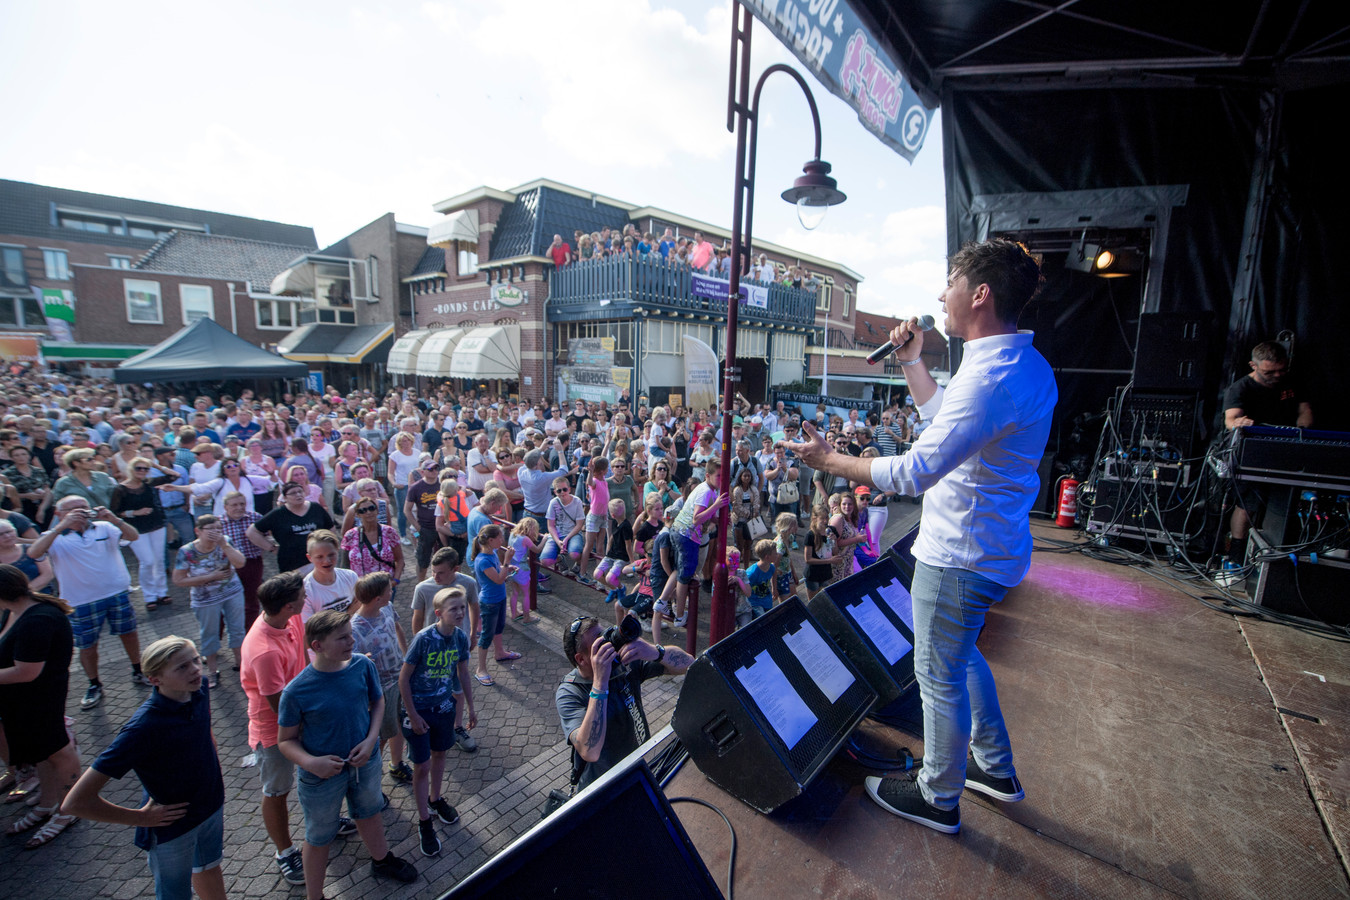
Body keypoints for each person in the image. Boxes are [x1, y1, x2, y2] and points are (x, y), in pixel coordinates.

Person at [788, 238, 1056, 834]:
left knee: (937, 675)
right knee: (960, 660)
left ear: (980, 294)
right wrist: (913, 360)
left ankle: (938, 795)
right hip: (987, 548)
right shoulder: (1017, 364)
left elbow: (912, 470)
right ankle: (994, 767)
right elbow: (945, 422)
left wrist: (831, 462)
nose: (941, 295)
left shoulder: (991, 377)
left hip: (960, 557)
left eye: (951, 283)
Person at [63, 636, 227, 900]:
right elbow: (75, 803)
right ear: (154, 679)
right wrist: (139, 818)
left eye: (196, 660)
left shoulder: (200, 689)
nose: (196, 669)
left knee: (209, 868)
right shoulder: (143, 728)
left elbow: (206, 736)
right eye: (182, 667)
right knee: (175, 894)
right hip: (173, 829)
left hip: (210, 809)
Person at [277, 610, 418, 898]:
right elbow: (285, 741)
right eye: (342, 638)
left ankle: (381, 861)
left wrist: (370, 741)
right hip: (321, 778)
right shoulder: (296, 691)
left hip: (364, 763)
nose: (351, 641)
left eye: (350, 635)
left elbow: (377, 701)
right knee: (318, 837)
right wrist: (311, 762)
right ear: (317, 646)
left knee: (370, 812)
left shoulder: (361, 666)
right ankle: (315, 895)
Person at [27, 496, 144, 711]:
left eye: (83, 507)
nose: (80, 512)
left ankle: (138, 670)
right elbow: (34, 553)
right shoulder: (53, 536)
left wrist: (114, 518)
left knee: (129, 633)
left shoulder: (104, 526)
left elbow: (133, 536)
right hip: (80, 601)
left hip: (116, 592)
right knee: (88, 646)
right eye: (73, 509)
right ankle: (94, 683)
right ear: (58, 513)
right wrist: (61, 526)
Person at [554, 615, 693, 789]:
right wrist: (600, 683)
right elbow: (589, 751)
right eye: (599, 644)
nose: (609, 645)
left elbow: (689, 664)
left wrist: (654, 651)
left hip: (640, 766)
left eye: (604, 635)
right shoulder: (570, 693)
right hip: (604, 785)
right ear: (581, 659)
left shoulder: (622, 664)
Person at [0, 565, 79, 849]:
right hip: (25, 702)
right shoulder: (19, 611)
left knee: (58, 751)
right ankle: (47, 805)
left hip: (40, 700)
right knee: (42, 754)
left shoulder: (38, 619)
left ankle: (68, 810)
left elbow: (26, 672)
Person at [238, 572, 310, 886]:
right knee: (277, 791)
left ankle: (326, 822)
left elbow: (305, 654)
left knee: (315, 777)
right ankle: (285, 851)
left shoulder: (289, 619)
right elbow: (278, 706)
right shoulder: (264, 650)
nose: (306, 598)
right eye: (301, 596)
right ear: (286, 606)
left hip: (302, 713)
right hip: (275, 731)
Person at [399, 586, 473, 858]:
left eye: (463, 608)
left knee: (440, 754)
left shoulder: (460, 638)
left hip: (443, 707)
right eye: (454, 609)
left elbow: (463, 672)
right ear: (439, 613)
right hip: (418, 711)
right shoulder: (423, 639)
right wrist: (413, 714)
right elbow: (403, 678)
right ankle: (424, 821)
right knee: (421, 766)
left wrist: (469, 708)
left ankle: (435, 799)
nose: (460, 613)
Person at [1221, 340, 1314, 555]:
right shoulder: (1240, 388)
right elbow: (1231, 419)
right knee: (1247, 506)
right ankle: (1235, 554)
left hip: (1288, 449)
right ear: (1253, 366)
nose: (1277, 376)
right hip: (1253, 452)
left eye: (1281, 370)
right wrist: (1238, 423)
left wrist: (1302, 430)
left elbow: (1305, 411)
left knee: (1285, 503)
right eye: (1269, 372)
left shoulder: (1292, 383)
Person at [408, 546, 479, 754]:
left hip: (457, 648)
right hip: (431, 654)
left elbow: (475, 607)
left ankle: (457, 728)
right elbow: (417, 619)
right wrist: (417, 648)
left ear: (455, 569)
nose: (435, 576)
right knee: (433, 689)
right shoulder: (423, 588)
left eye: (440, 572)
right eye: (433, 571)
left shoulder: (469, 583)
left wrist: (473, 633)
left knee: (458, 687)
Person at [348, 573, 410, 797]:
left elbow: (397, 628)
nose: (391, 591)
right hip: (379, 690)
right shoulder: (354, 629)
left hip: (398, 679)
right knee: (379, 737)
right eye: (387, 589)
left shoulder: (387, 607)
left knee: (398, 724)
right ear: (376, 598)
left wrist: (406, 657)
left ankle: (396, 765)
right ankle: (371, 784)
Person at [247, 481, 335, 574]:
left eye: (300, 491)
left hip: (318, 560)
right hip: (291, 563)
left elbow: (330, 528)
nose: (298, 495)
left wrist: (329, 547)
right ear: (285, 498)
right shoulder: (278, 514)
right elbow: (251, 532)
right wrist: (272, 548)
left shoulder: (315, 508)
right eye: (293, 493)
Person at [470, 523, 518, 687]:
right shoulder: (482, 560)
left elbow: (498, 573)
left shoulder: (492, 553)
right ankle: (480, 669)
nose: (503, 539)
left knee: (499, 627)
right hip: (489, 602)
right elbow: (498, 579)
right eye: (500, 537)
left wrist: (506, 567)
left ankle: (499, 652)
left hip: (500, 597)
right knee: (486, 635)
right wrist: (507, 561)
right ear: (491, 540)